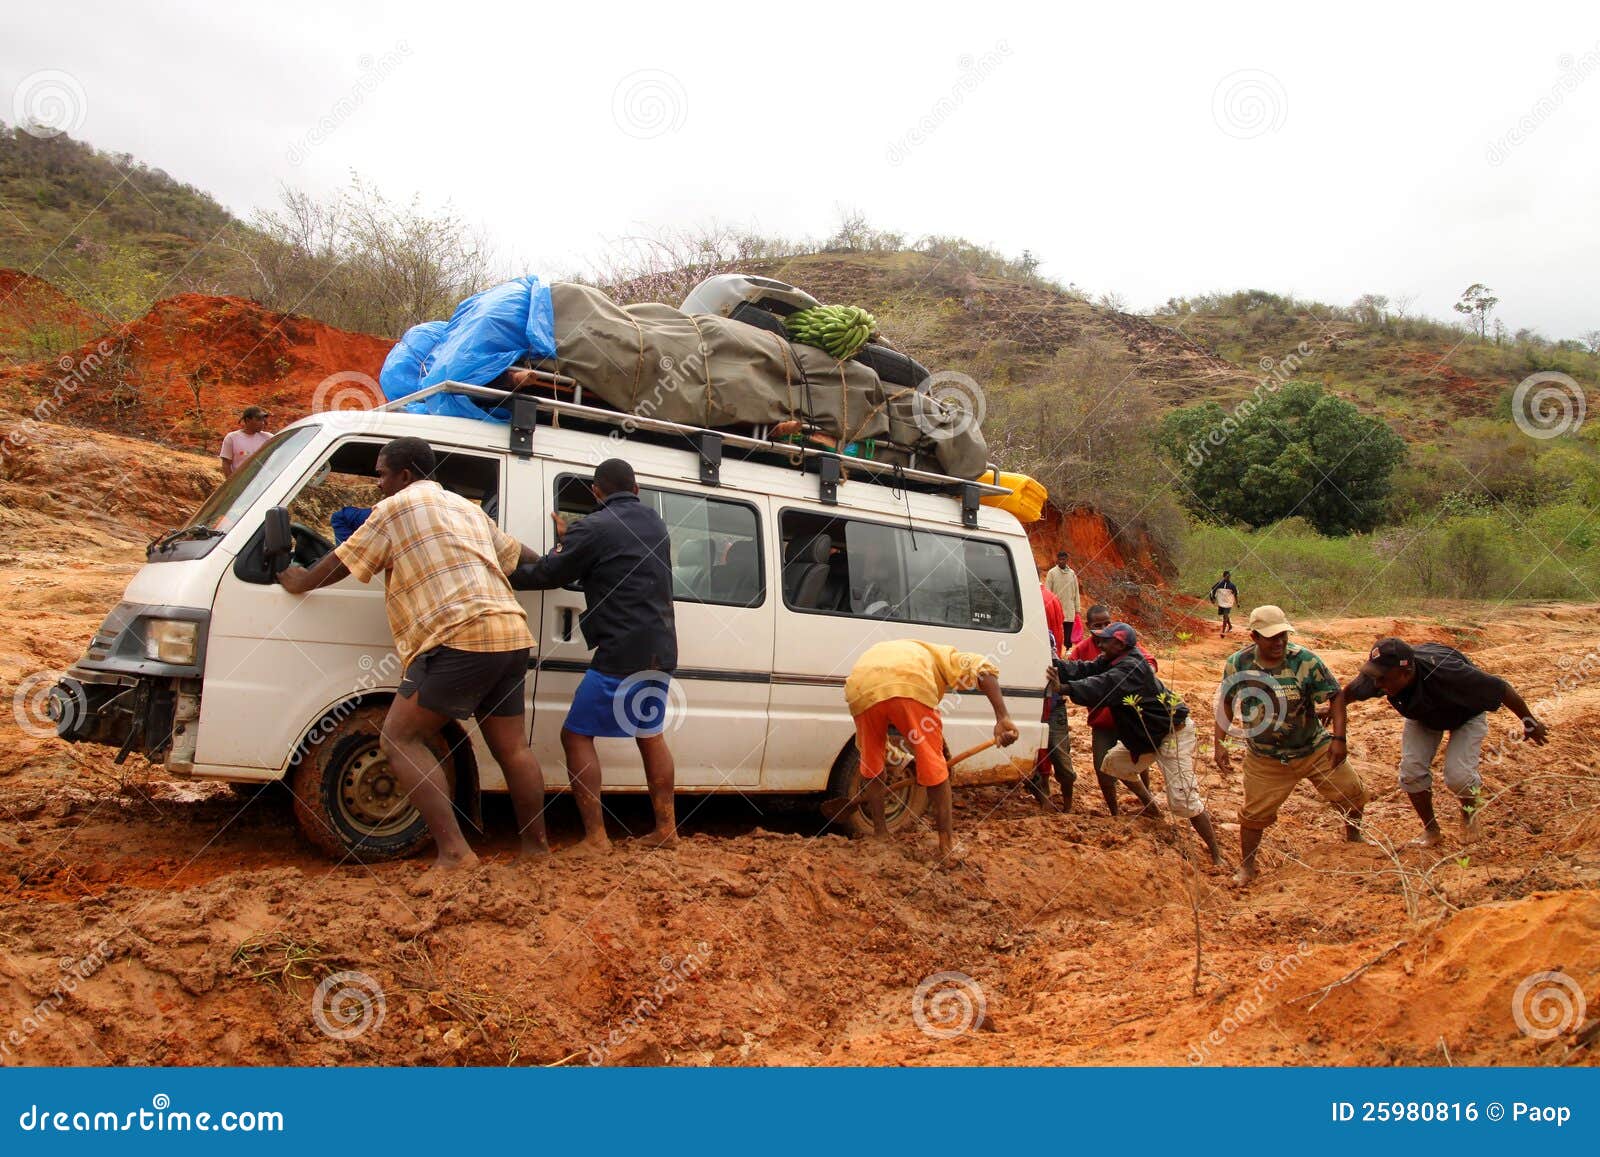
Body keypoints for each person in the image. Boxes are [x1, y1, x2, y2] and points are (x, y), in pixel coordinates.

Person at [277, 437, 549, 875]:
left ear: (405, 475)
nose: (379, 484)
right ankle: (536, 851)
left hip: (457, 635)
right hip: (510, 632)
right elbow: (520, 557)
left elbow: (342, 561)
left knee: (399, 738)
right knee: (514, 748)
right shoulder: (466, 508)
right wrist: (563, 559)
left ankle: (456, 854)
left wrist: (300, 581)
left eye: (382, 473)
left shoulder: (394, 508)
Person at [511, 458, 678, 853]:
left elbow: (550, 575)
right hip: (660, 646)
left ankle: (596, 838)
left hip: (621, 651)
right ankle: (667, 829)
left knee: (576, 734)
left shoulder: (593, 527)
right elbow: (616, 563)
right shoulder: (654, 523)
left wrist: (500, 571)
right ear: (635, 490)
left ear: (596, 492)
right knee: (649, 733)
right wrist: (575, 542)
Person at [1214, 605, 1368, 886]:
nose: (1279, 642)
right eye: (1272, 637)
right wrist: (1219, 744)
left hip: (1313, 747)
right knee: (1253, 815)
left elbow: (1335, 696)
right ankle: (1248, 868)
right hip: (1266, 758)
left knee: (1351, 792)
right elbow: (1226, 701)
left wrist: (1339, 739)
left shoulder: (1305, 661)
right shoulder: (1237, 663)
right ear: (1254, 637)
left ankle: (1354, 836)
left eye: (1283, 635)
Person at [1344, 638, 1550, 846]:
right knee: (1411, 773)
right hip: (1423, 714)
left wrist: (1529, 722)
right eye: (1375, 677)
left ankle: (1469, 813)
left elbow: (1502, 689)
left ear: (1406, 674)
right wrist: (1331, 709)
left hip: (1467, 715)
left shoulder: (1451, 673)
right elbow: (1349, 693)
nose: (1377, 685)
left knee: (1459, 776)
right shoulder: (1378, 675)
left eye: (1383, 679)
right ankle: (1431, 831)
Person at [1051, 622, 1224, 864]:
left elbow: (1101, 686)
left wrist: (1065, 688)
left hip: (1172, 734)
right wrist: (1056, 664)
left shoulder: (1132, 667)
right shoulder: (1112, 659)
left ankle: (1217, 855)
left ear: (1119, 644)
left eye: (1105, 640)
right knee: (1112, 764)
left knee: (1184, 800)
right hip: (1147, 735)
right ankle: (1151, 804)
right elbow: (1085, 670)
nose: (1099, 644)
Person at [842, 639, 1020, 864]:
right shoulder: (945, 657)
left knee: (871, 763)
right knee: (935, 766)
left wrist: (895, 761)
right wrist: (1002, 717)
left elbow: (870, 746)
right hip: (910, 682)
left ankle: (880, 834)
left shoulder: (899, 651)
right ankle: (946, 846)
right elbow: (984, 668)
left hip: (860, 688)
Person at [1067, 604, 1158, 813]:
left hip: (1129, 716)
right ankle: (1114, 812)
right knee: (1103, 766)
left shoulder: (1121, 642)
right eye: (1098, 625)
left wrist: (1143, 676)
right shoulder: (1083, 649)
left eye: (1107, 623)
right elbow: (1073, 668)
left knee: (1139, 760)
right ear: (1089, 627)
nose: (1103, 628)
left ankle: (1148, 806)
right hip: (1102, 719)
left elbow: (1148, 660)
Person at [219, 406, 272, 477]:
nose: (262, 423)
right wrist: (232, 484)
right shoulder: (232, 438)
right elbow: (226, 464)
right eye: (258, 420)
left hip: (263, 482)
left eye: (263, 420)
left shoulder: (268, 438)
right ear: (247, 420)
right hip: (242, 482)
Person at [1043, 551, 1082, 646]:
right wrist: (1048, 606)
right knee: (1056, 632)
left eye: (1063, 559)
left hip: (1069, 608)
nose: (1061, 561)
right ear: (1057, 560)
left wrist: (1077, 609)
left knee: (1068, 634)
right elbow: (1047, 591)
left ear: (1067, 560)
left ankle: (1067, 650)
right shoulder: (1052, 573)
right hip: (1057, 607)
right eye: (1059, 559)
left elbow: (1076, 592)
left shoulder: (1072, 574)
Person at [1209, 571, 1239, 636]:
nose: (1228, 577)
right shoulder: (1219, 584)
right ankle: (1230, 626)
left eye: (1229, 576)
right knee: (1225, 615)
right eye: (1227, 576)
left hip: (1229, 603)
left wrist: (1237, 603)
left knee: (1225, 615)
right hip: (1221, 602)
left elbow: (1236, 594)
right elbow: (1212, 591)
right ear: (1224, 576)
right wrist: (1212, 599)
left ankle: (1223, 631)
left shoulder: (1232, 585)